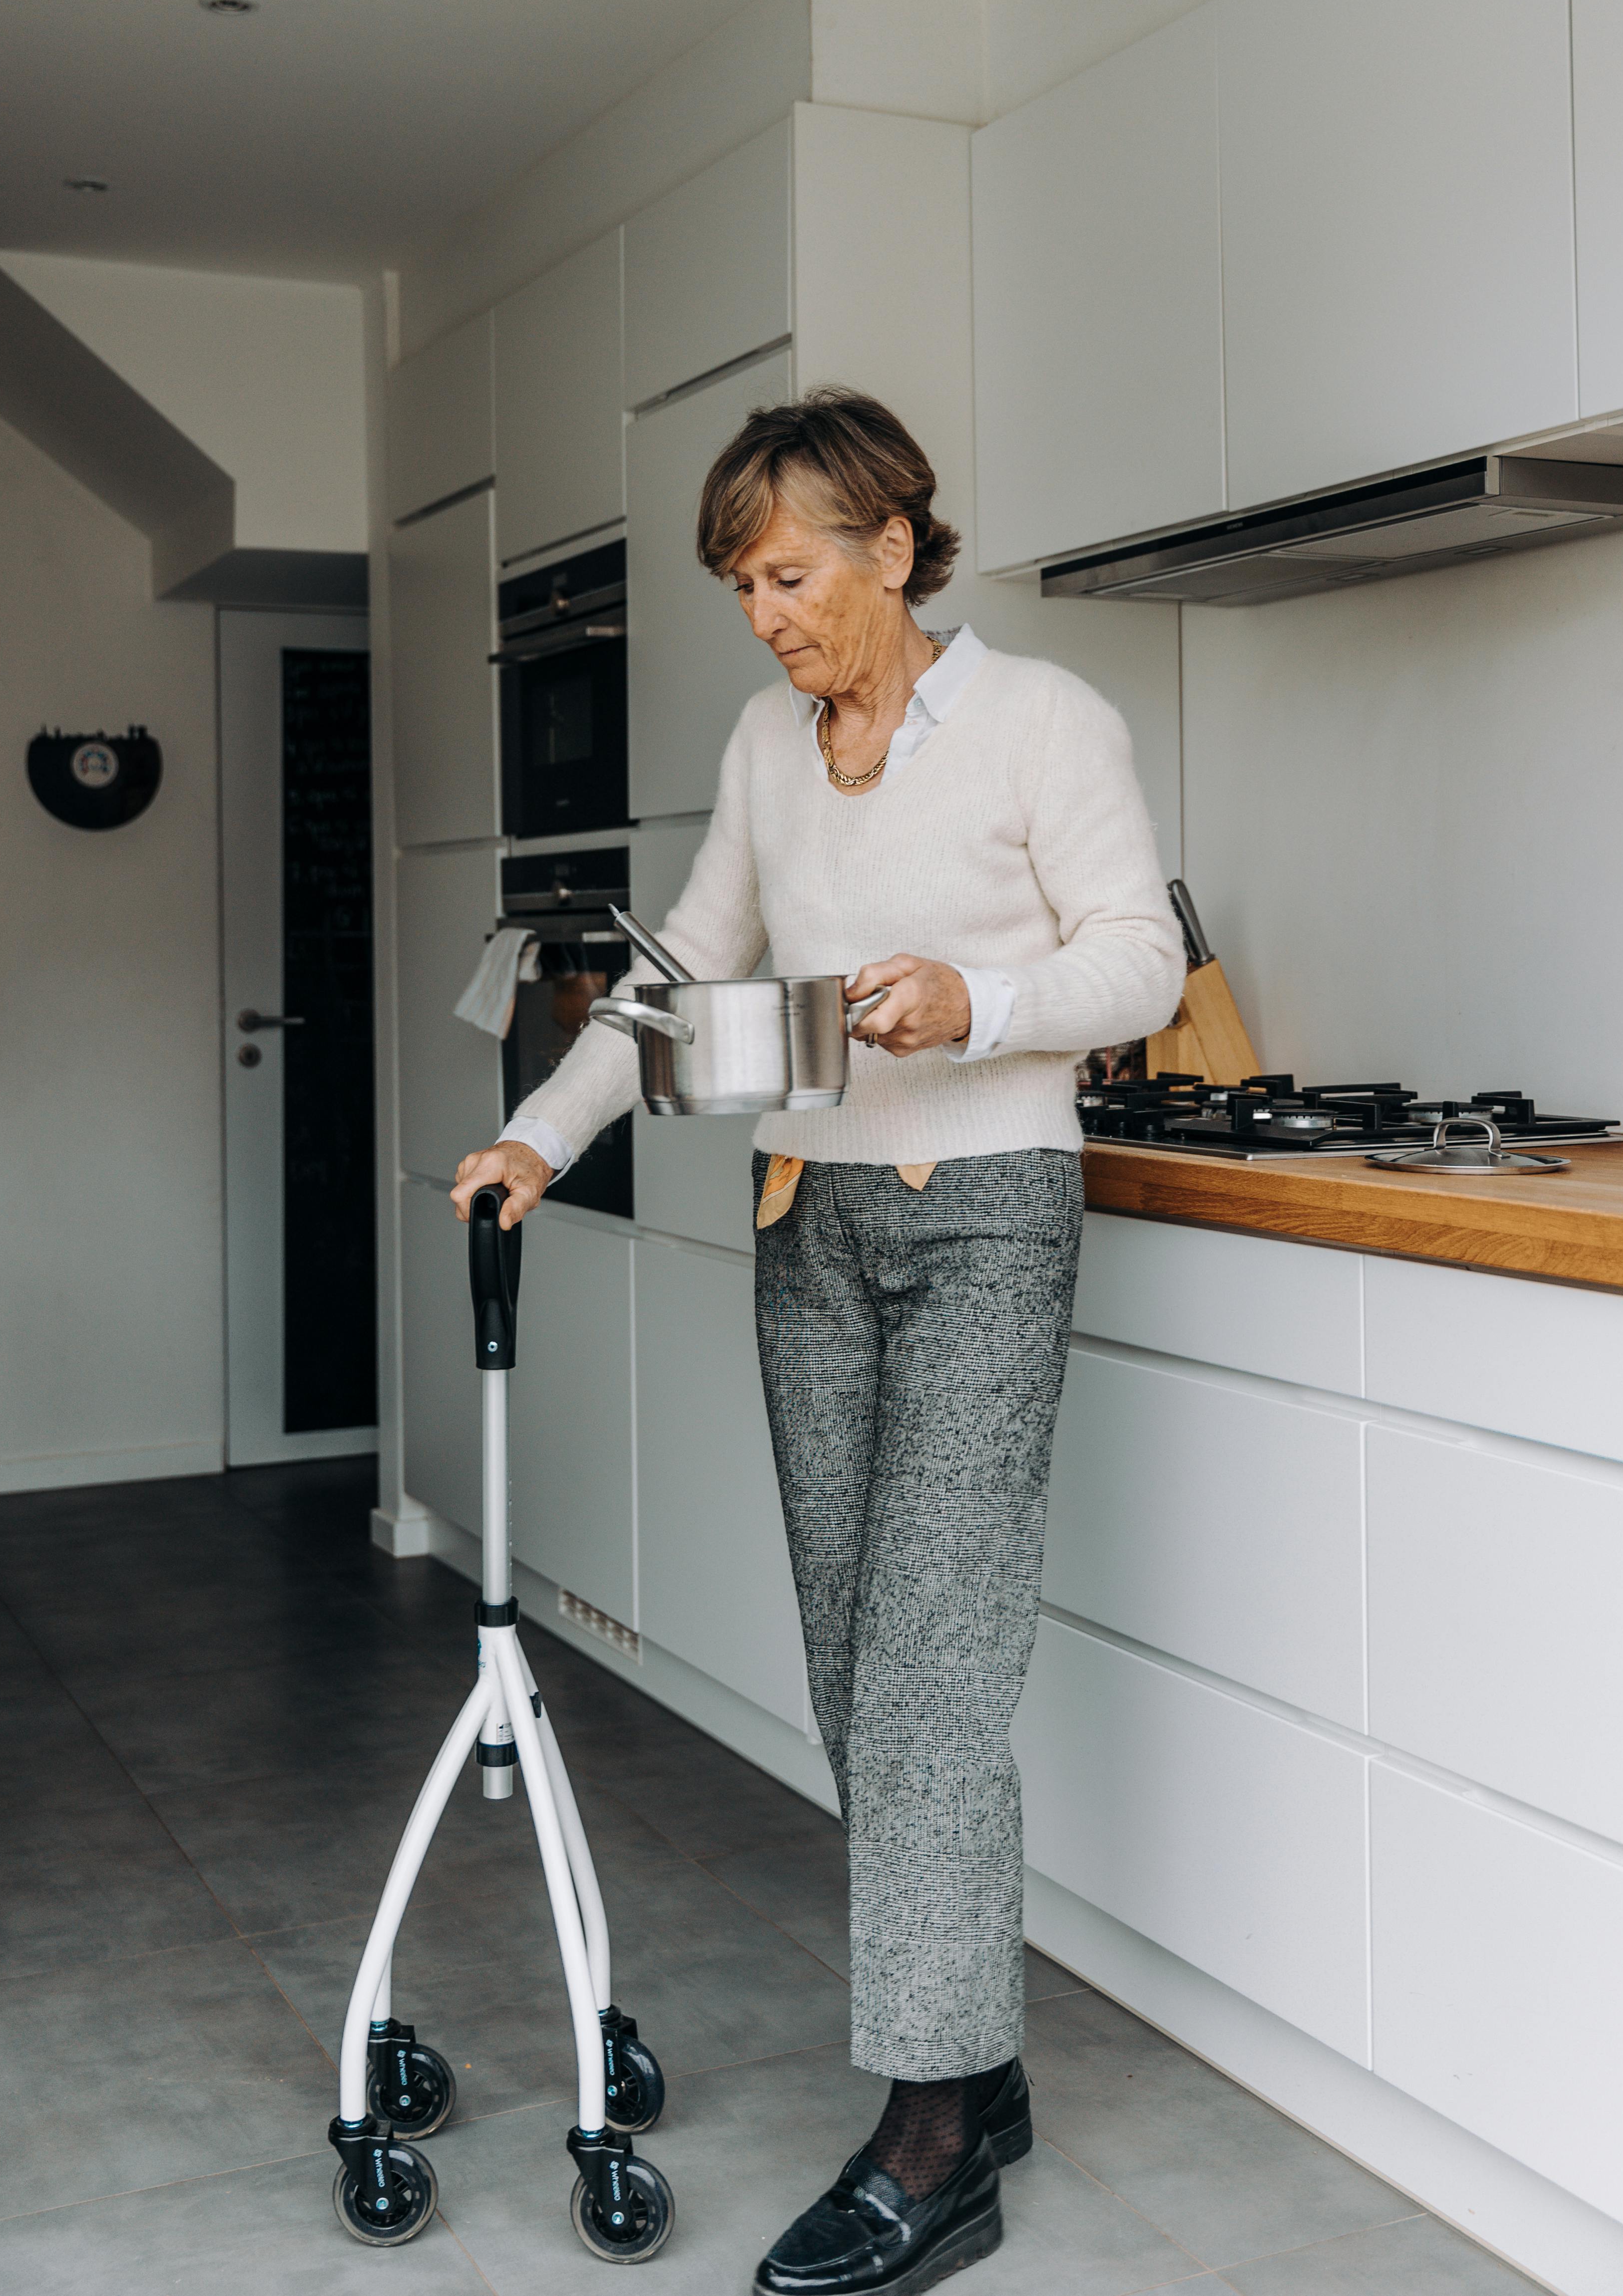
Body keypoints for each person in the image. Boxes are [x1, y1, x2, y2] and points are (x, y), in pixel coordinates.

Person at [452, 387, 1183, 2293]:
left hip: (988, 1216)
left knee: (932, 1670)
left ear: (889, 540)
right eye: (742, 587)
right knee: (860, 1658)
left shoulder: (1043, 721)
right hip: (807, 1218)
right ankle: (985, 2053)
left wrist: (982, 995)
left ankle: (934, 2138)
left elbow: (1143, 958)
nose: (767, 615)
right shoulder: (772, 747)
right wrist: (537, 1134)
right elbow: (680, 972)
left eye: (787, 574)